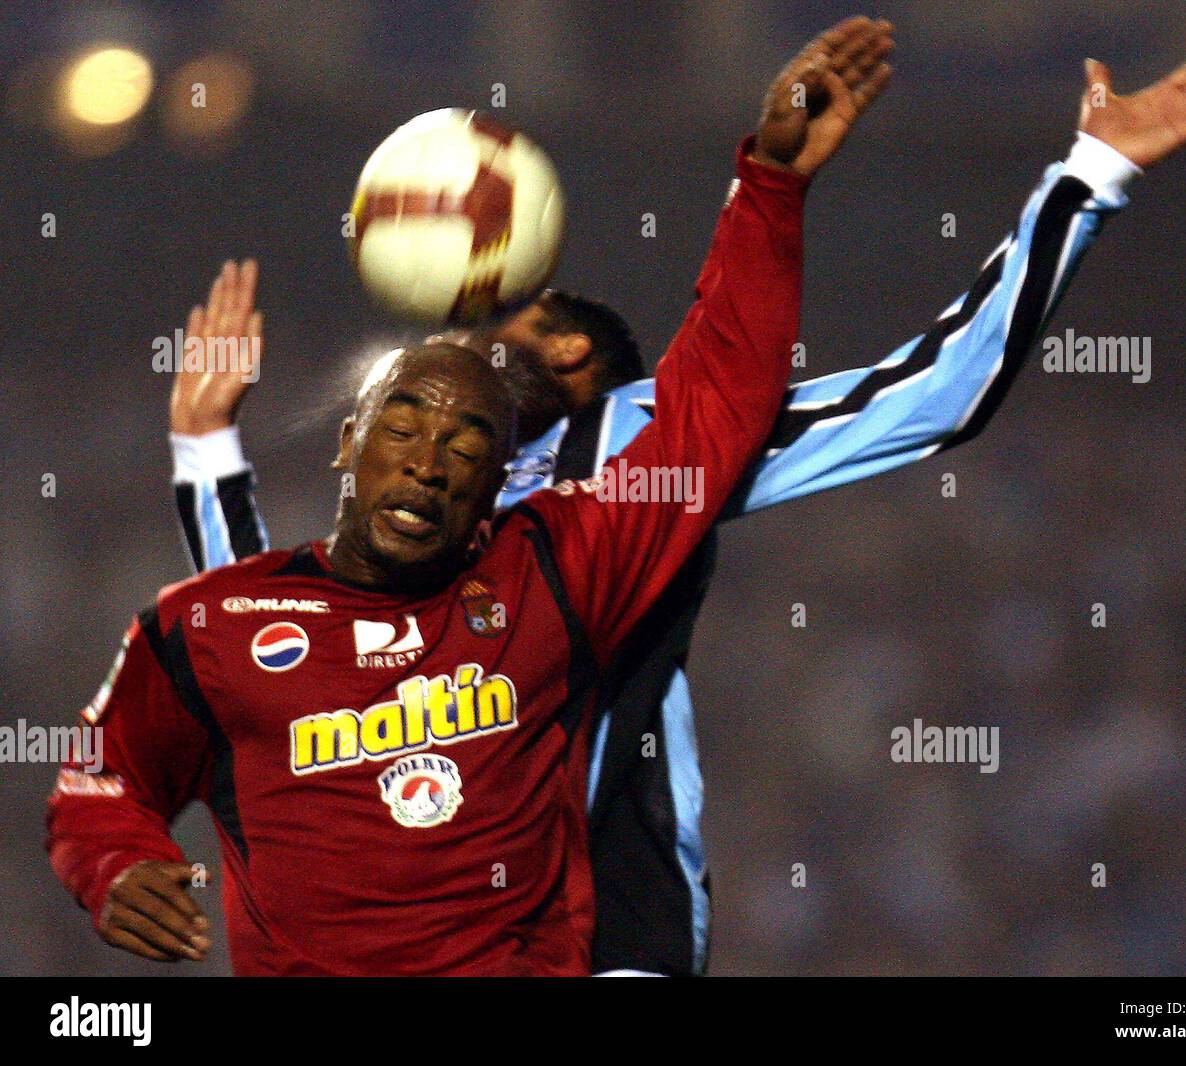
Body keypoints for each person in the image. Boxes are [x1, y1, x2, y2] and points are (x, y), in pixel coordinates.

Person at [167, 41, 1186, 974]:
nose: (487, 329)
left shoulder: (642, 453)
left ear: (589, 365)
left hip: (608, 930)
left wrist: (1090, 172)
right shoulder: (424, 491)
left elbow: (938, 388)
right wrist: (207, 441)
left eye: (527, 321)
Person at [47, 16, 890, 977]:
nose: (429, 461)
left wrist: (771, 187)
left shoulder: (548, 571)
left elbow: (716, 407)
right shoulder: (213, 624)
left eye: (467, 444)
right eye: (402, 428)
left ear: (498, 487)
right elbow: (101, 779)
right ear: (346, 450)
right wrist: (116, 866)